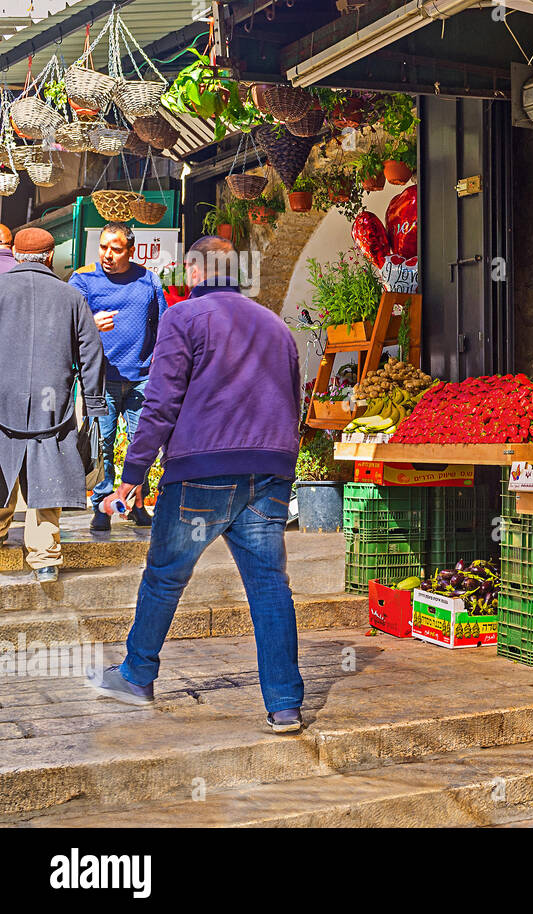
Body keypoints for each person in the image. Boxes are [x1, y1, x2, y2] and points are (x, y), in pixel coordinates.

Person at [86, 237, 306, 734]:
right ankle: (285, 702)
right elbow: (296, 398)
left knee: (165, 577)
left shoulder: (183, 318)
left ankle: (138, 675)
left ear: (192, 269)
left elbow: (160, 403)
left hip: (201, 470)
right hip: (268, 473)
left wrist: (131, 478)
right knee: (270, 586)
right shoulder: (276, 324)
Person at [0, 228, 108, 582]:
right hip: (54, 406)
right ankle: (45, 559)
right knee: (47, 475)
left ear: (15, 255)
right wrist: (92, 404)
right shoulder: (71, 297)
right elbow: (92, 354)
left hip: (2, 402)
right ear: (49, 257)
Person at [70, 223, 169, 531]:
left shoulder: (148, 280)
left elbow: (164, 326)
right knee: (104, 445)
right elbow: (65, 324)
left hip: (142, 378)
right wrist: (90, 322)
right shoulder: (83, 279)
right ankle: (103, 505)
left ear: (131, 250)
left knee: (144, 445)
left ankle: (138, 502)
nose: (107, 254)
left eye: (115, 249)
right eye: (103, 247)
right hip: (101, 377)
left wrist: (159, 367)